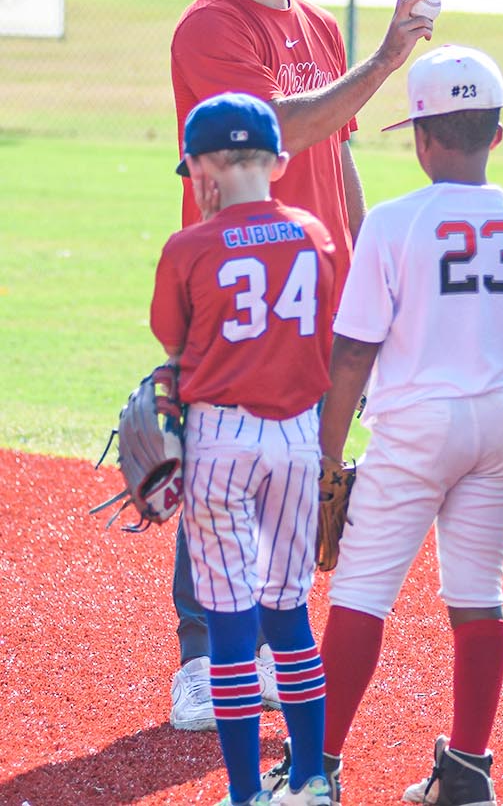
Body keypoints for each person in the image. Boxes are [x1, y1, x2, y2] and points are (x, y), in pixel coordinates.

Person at [166, 0, 433, 733]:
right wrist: (391, 56)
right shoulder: (210, 27)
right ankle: (202, 660)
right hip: (239, 282)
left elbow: (337, 149)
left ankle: (271, 649)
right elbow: (281, 128)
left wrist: (363, 273)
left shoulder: (318, 26)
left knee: (294, 474)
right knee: (221, 466)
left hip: (316, 291)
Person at [260, 45, 503, 805]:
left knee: (361, 592)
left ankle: (314, 770)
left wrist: (326, 456)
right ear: (496, 134)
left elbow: (355, 349)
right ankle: (467, 768)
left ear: (422, 138)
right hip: (499, 424)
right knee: (477, 597)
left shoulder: (393, 223)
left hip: (416, 425)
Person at [150, 93, 338, 806]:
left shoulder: (188, 246)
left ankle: (244, 792)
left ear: (200, 168)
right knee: (288, 615)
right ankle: (313, 779)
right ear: (280, 162)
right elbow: (323, 335)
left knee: (230, 621)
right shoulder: (314, 233)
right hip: (295, 435)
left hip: (220, 437)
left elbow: (173, 340)